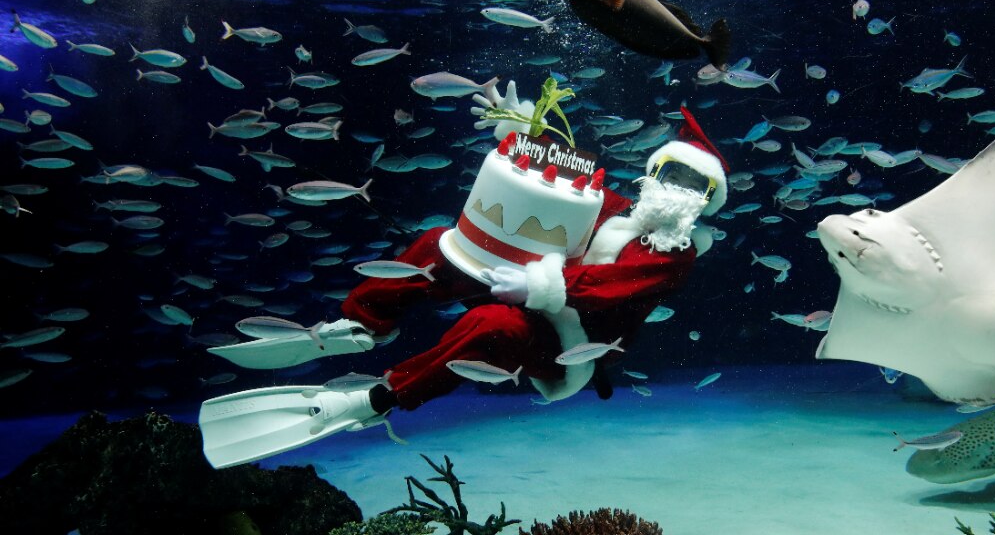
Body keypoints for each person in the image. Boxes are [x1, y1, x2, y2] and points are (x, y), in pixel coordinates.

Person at [198, 87, 730, 469]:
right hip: (527, 287)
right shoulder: (615, 208)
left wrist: (539, 287)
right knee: (437, 243)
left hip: (570, 344)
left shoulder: (677, 254)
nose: (678, 191)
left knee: (492, 326)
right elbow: (566, 179)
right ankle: (359, 325)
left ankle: (377, 398)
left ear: (706, 202)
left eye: (695, 186)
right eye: (672, 174)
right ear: (652, 171)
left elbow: (611, 287)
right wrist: (524, 132)